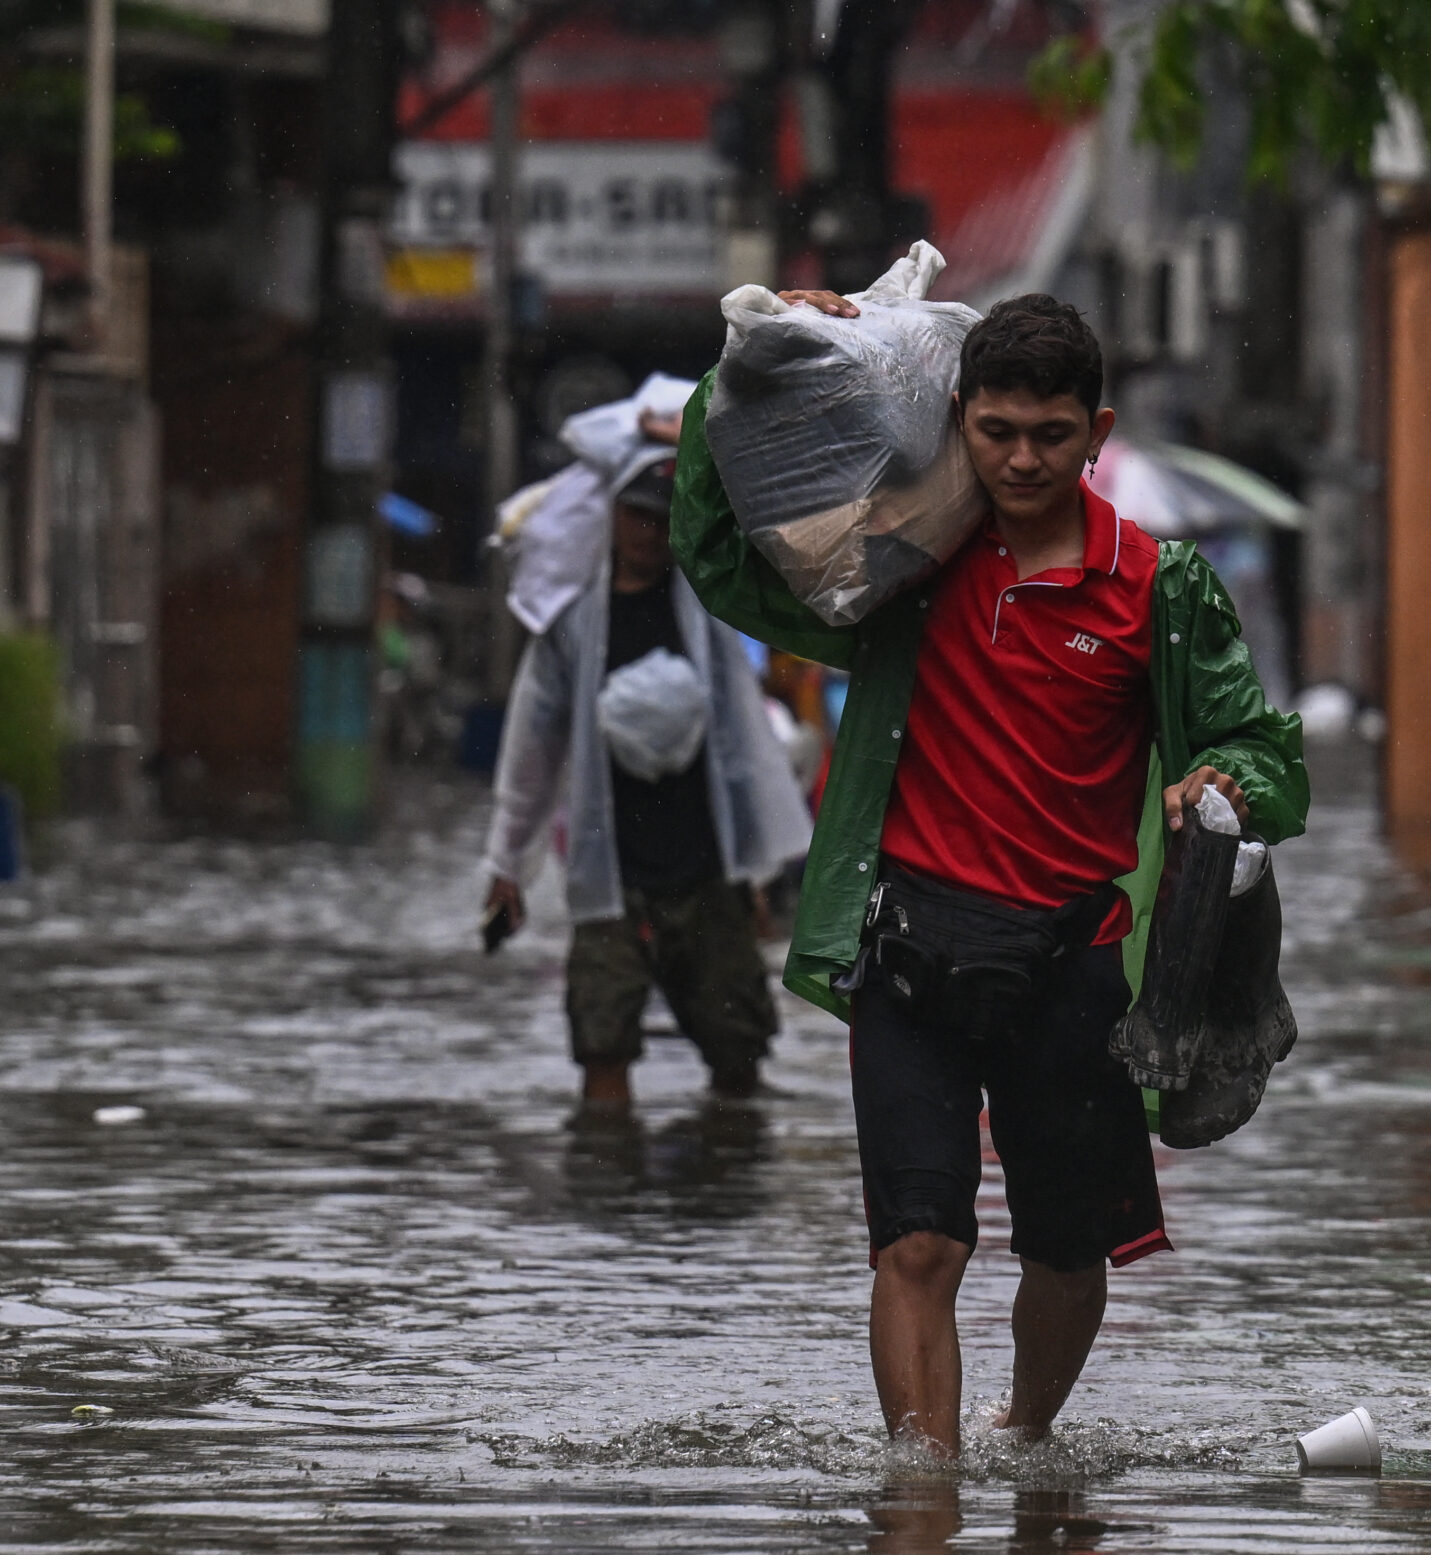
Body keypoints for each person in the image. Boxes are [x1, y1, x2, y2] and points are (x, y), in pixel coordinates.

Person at [673, 293, 1308, 1454]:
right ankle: (922, 1499)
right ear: (958, 419)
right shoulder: (899, 570)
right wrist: (742, 368)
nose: (1020, 460)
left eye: (1050, 436)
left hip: (1072, 966)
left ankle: (1021, 1443)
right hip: (904, 951)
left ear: (1096, 432)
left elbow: (1266, 750)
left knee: (1067, 1255)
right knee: (918, 1245)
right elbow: (721, 562)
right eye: (996, 431)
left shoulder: (1158, 590)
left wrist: (1219, 783)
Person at [484, 451, 813, 1112]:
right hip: (611, 878)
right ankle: (609, 1199)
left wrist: (754, 872)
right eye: (635, 514)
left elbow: (742, 746)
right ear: (610, 515)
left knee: (738, 1051)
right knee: (603, 1047)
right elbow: (532, 751)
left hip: (706, 867)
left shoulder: (707, 612)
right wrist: (505, 866)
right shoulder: (573, 623)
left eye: (662, 518)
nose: (648, 532)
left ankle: (718, 1197)